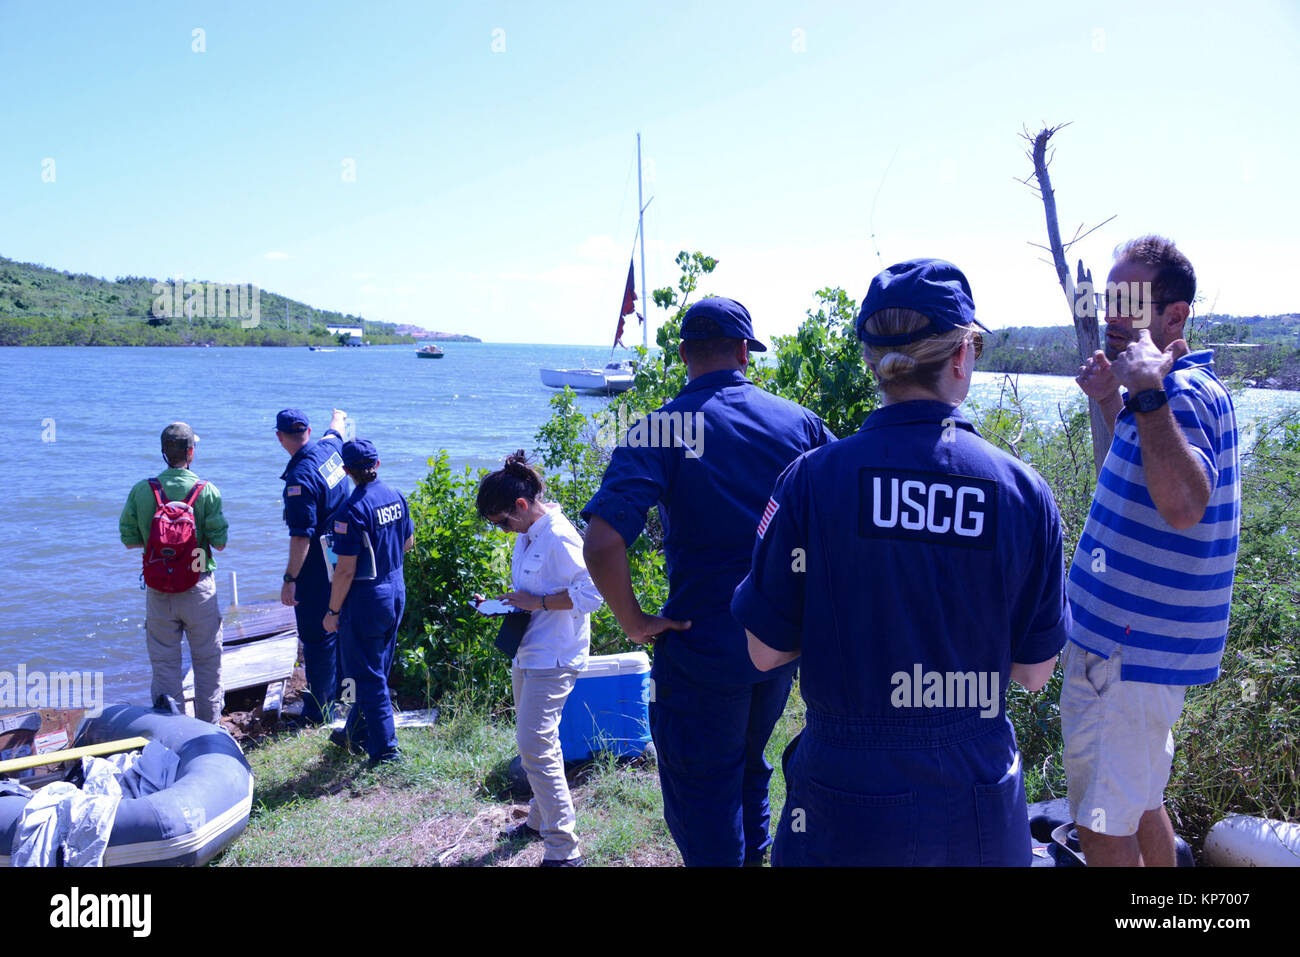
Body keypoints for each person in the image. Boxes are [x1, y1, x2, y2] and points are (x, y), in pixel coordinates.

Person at [733, 258, 1067, 865]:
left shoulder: (810, 482)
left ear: (874, 362)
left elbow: (764, 651)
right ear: (961, 356)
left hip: (844, 796)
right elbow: (1034, 671)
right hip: (977, 795)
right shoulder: (1025, 494)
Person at [582, 297, 834, 867]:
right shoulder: (800, 423)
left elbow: (601, 542)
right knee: (750, 765)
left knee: (702, 789)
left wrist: (635, 622)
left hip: (702, 644)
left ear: (683, 355)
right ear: (745, 352)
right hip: (778, 642)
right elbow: (842, 523)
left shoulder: (661, 429)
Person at [1065, 236, 1240, 867]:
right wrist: (1116, 400)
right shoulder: (1169, 392)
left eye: (1130, 299)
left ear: (1175, 316)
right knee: (1138, 803)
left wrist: (1144, 391)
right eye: (1108, 298)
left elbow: (1184, 504)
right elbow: (1150, 466)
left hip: (1124, 655)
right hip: (1134, 656)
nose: (1114, 313)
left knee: (1101, 826)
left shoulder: (1181, 394)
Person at [477, 451, 601, 867]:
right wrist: (502, 603)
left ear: (522, 506)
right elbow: (532, 593)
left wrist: (540, 602)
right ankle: (537, 819)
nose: (500, 529)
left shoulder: (562, 537)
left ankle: (564, 850)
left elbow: (592, 595)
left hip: (555, 656)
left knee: (534, 744)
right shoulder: (526, 533)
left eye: (500, 521)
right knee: (539, 743)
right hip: (528, 650)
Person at [119, 422, 229, 723]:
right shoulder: (206, 492)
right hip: (198, 585)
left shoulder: (143, 490)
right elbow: (219, 544)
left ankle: (171, 732)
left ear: (164, 452)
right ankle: (210, 731)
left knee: (165, 665)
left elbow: (129, 540)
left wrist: (161, 545)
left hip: (159, 589)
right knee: (207, 662)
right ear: (191, 451)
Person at [321, 439, 413, 765]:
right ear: (378, 463)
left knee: (368, 675)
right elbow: (408, 543)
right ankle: (356, 734)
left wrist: (332, 611)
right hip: (395, 589)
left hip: (366, 598)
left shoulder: (350, 510)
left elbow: (344, 570)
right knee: (375, 667)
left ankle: (387, 751)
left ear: (345, 471)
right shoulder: (396, 496)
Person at [276, 407, 350, 725]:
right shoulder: (330, 447)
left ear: (280, 438)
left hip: (318, 565)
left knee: (317, 635)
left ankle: (319, 711)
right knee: (338, 624)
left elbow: (301, 538)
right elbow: (338, 428)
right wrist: (338, 415)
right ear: (308, 430)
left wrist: (290, 578)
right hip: (343, 554)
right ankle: (345, 696)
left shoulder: (299, 480)